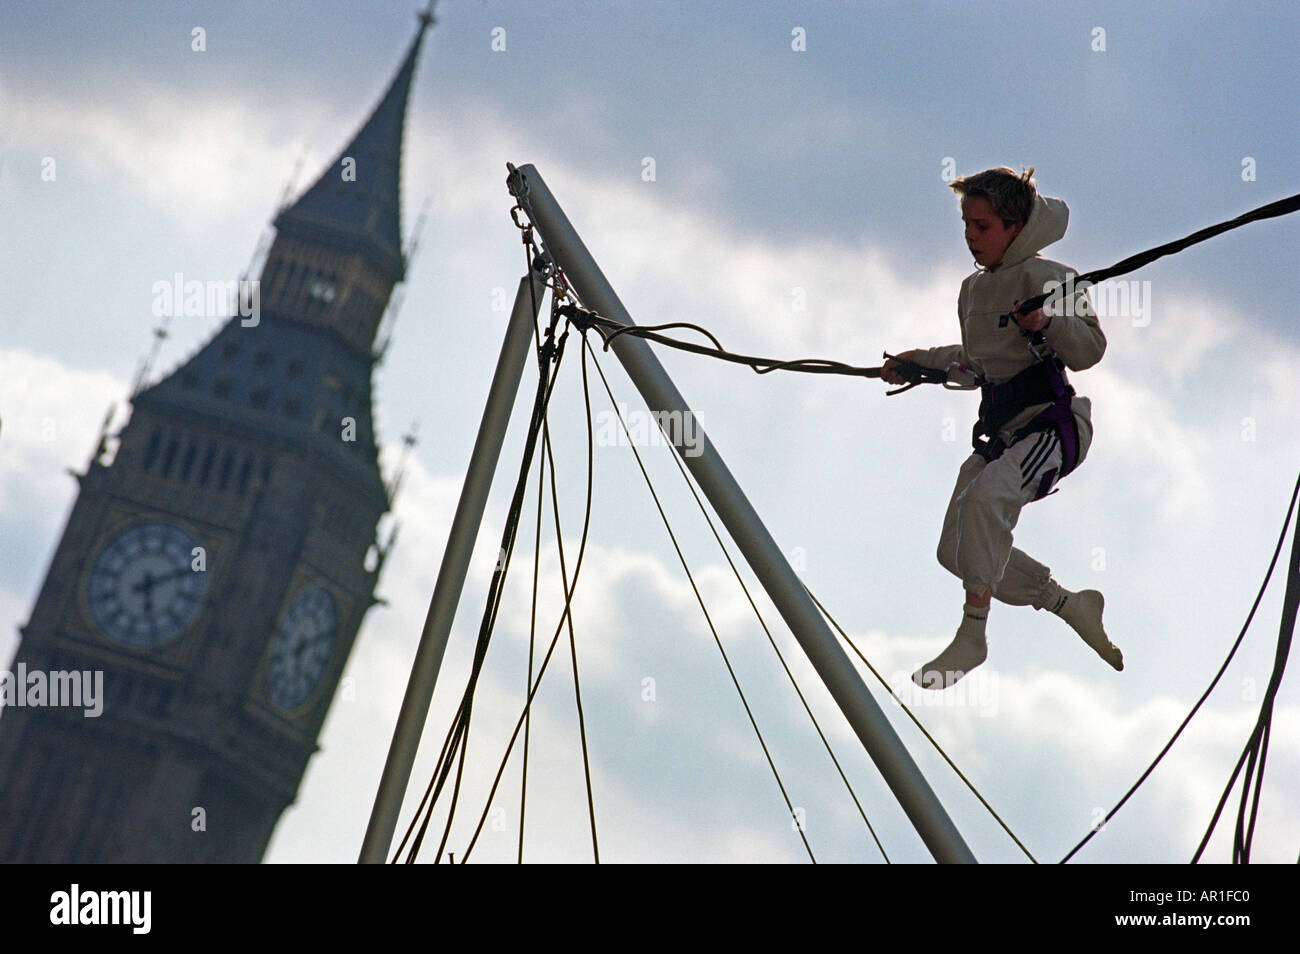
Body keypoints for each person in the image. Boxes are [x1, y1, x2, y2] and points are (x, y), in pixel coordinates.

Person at [882, 166, 1123, 690]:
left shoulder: (1049, 278)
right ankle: (1067, 603)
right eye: (967, 225)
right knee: (957, 549)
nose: (971, 236)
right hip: (1002, 435)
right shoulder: (972, 292)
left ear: (1016, 227)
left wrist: (1047, 322)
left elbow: (1090, 350)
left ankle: (973, 636)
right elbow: (973, 364)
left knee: (987, 503)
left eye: (983, 226)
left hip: (1052, 429)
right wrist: (918, 362)